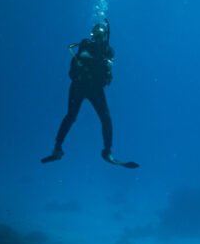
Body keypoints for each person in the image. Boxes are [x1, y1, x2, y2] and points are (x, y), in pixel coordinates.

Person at [41, 20, 139, 168]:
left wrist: (107, 65)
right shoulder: (85, 44)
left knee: (106, 119)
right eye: (95, 35)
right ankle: (57, 148)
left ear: (106, 36)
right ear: (92, 35)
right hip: (79, 86)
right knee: (71, 116)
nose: (98, 39)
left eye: (101, 36)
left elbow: (108, 72)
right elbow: (81, 59)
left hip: (95, 89)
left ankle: (107, 151)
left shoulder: (109, 51)